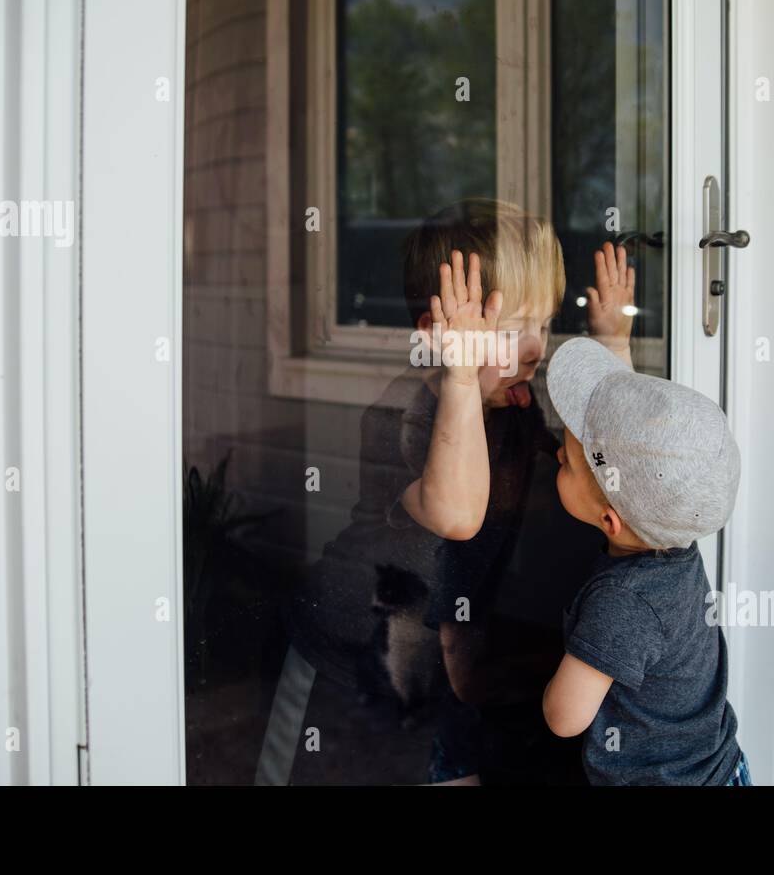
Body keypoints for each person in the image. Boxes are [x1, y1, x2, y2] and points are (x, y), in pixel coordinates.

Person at [256, 199, 634, 784]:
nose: (535, 348)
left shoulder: (509, 403)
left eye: (546, 323)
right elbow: (457, 515)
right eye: (510, 331)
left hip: (446, 647)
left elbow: (604, 460)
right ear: (440, 337)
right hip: (353, 643)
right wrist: (461, 375)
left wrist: (611, 346)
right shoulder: (405, 416)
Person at [541, 337, 751, 786]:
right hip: (720, 769)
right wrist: (615, 337)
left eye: (569, 463)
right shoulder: (675, 545)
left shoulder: (623, 603)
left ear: (610, 520)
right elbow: (642, 453)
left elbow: (564, 718)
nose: (558, 454)